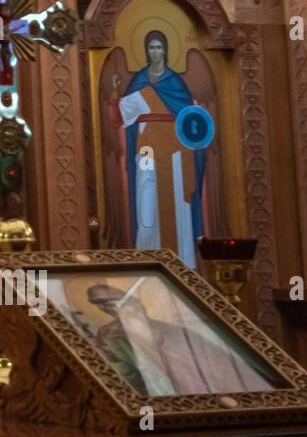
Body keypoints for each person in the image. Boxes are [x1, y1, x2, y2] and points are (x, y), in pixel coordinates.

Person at [116, 30, 205, 268]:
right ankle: (148, 258)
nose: (155, 52)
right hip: (146, 150)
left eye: (159, 47)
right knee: (147, 196)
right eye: (151, 47)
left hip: (175, 152)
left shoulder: (175, 82)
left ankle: (182, 261)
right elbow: (123, 115)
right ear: (146, 51)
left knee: (177, 201)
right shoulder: (139, 80)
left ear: (166, 50)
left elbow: (189, 118)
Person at [86, 283, 271, 396]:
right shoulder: (110, 337)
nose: (131, 309)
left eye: (130, 302)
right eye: (116, 305)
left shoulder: (173, 330)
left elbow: (220, 362)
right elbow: (124, 380)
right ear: (109, 310)